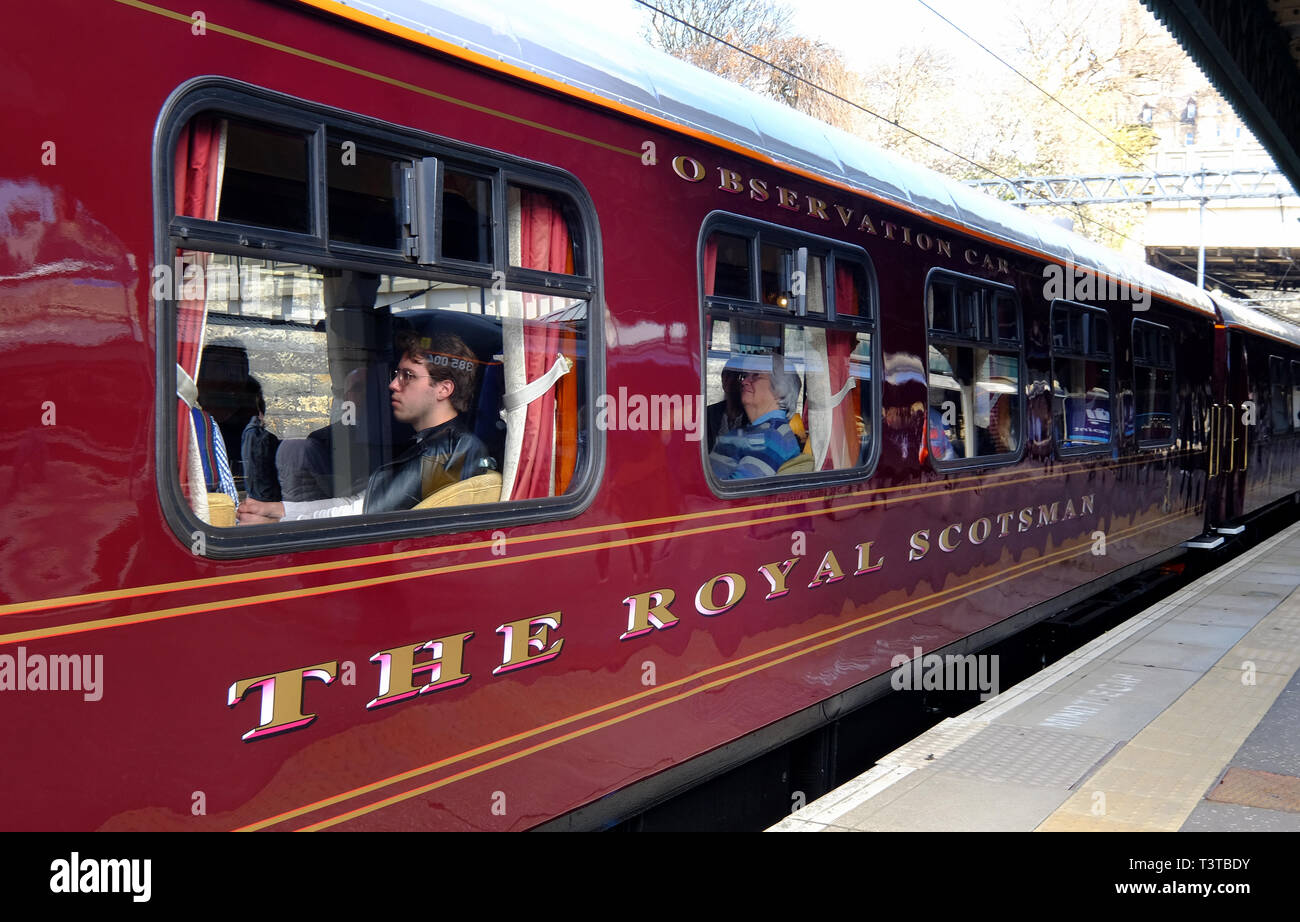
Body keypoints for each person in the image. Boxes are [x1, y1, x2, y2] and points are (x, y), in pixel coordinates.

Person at [238, 332, 496, 523]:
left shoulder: (447, 450)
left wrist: (277, 523)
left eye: (408, 376)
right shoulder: (435, 442)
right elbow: (363, 500)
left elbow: (361, 516)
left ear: (444, 389)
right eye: (397, 374)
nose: (393, 384)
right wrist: (278, 510)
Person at [708, 353, 806, 480]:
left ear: (779, 389)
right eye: (745, 376)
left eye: (755, 376)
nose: (743, 381)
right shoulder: (759, 431)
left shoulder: (772, 436)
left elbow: (737, 490)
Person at [706, 358, 746, 446]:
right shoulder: (710, 412)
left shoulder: (752, 415)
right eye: (727, 375)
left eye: (737, 376)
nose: (730, 380)